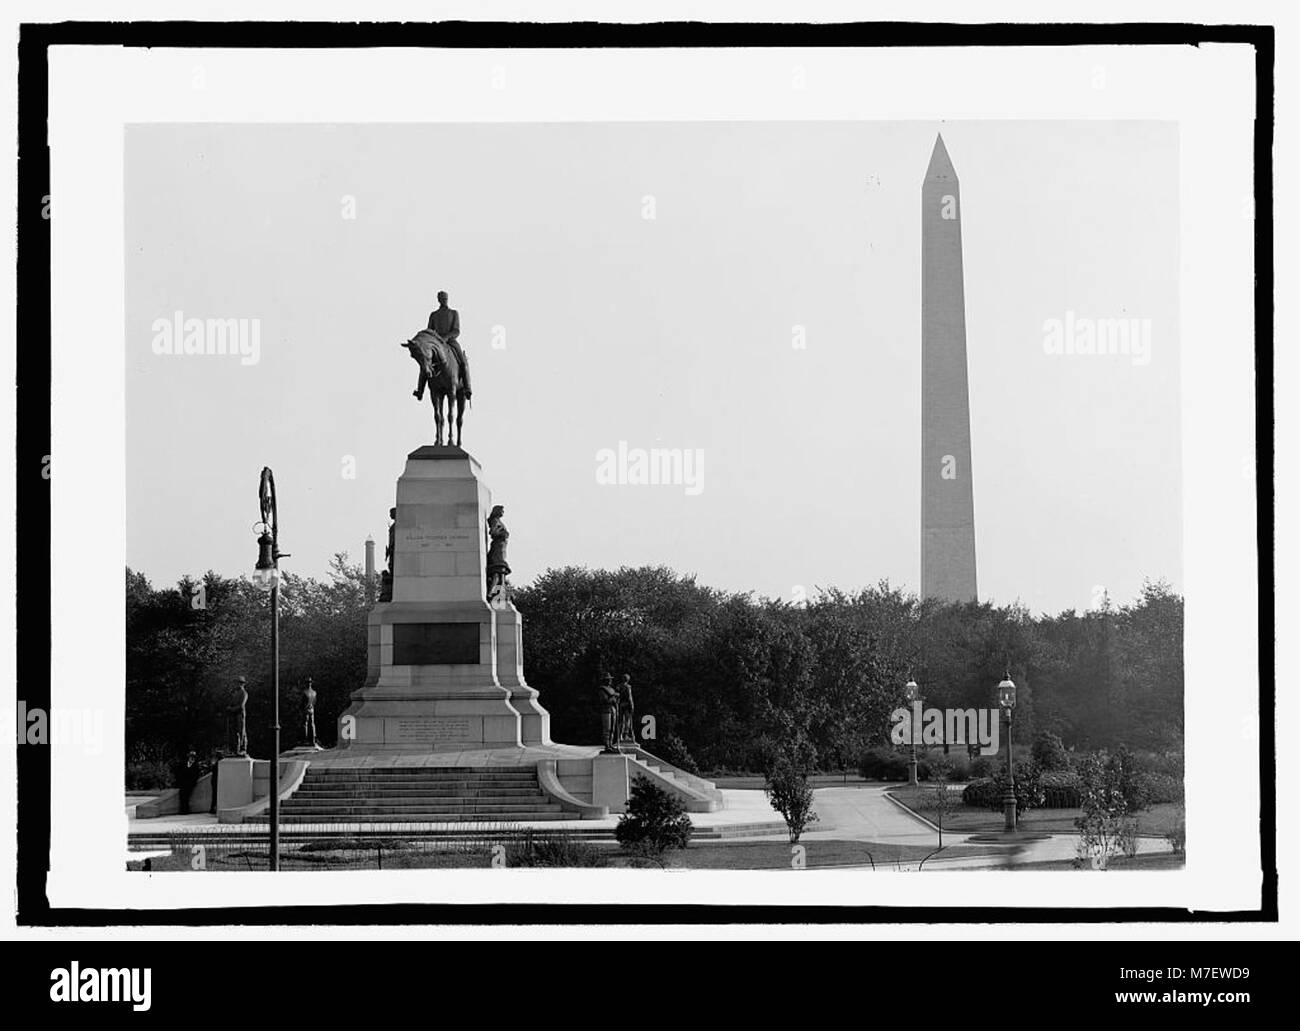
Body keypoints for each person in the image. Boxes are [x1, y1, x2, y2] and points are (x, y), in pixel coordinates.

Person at [414, 290, 472, 400]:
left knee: (463, 361)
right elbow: (430, 331)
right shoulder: (434, 315)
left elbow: (456, 330)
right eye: (442, 299)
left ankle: (467, 387)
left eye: (445, 299)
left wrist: (445, 338)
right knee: (425, 364)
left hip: (451, 342)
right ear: (439, 300)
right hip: (436, 345)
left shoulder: (454, 313)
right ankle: (419, 390)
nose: (444, 301)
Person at [617, 674, 636, 743]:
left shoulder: (618, 687)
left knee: (621, 721)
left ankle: (620, 736)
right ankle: (625, 734)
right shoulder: (628, 687)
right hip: (627, 705)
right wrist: (632, 705)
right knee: (627, 720)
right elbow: (629, 697)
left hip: (620, 705)